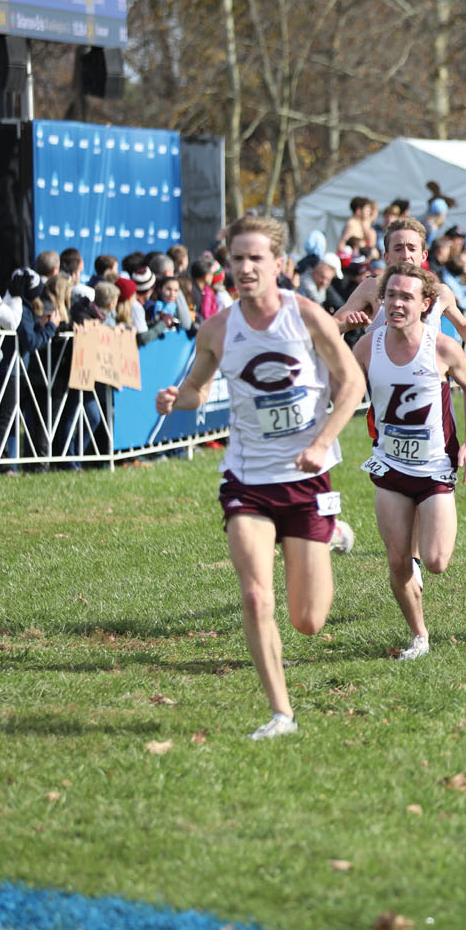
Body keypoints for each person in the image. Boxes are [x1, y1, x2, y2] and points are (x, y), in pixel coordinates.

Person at [155, 216, 364, 740]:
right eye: (237, 259)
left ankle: (330, 532)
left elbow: (351, 382)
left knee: (308, 621)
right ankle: (281, 714)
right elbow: (198, 390)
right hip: (247, 480)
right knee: (255, 597)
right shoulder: (217, 329)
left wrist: (321, 444)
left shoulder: (307, 316)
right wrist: (176, 399)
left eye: (255, 258)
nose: (245, 268)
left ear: (278, 263)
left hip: (307, 479)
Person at [353, 262, 466, 660]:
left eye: (406, 297)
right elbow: (345, 390)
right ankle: (419, 635)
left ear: (425, 303)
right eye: (390, 296)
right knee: (397, 561)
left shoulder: (441, 348)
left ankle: (430, 524)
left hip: (434, 468)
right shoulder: (368, 347)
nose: (396, 304)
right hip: (390, 465)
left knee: (437, 561)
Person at [334, 216, 466, 375]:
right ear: (386, 256)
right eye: (398, 248)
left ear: (423, 255)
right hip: (387, 387)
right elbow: (332, 325)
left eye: (412, 248)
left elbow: (463, 325)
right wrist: (346, 325)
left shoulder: (440, 292)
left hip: (431, 384)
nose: (405, 255)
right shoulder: (371, 288)